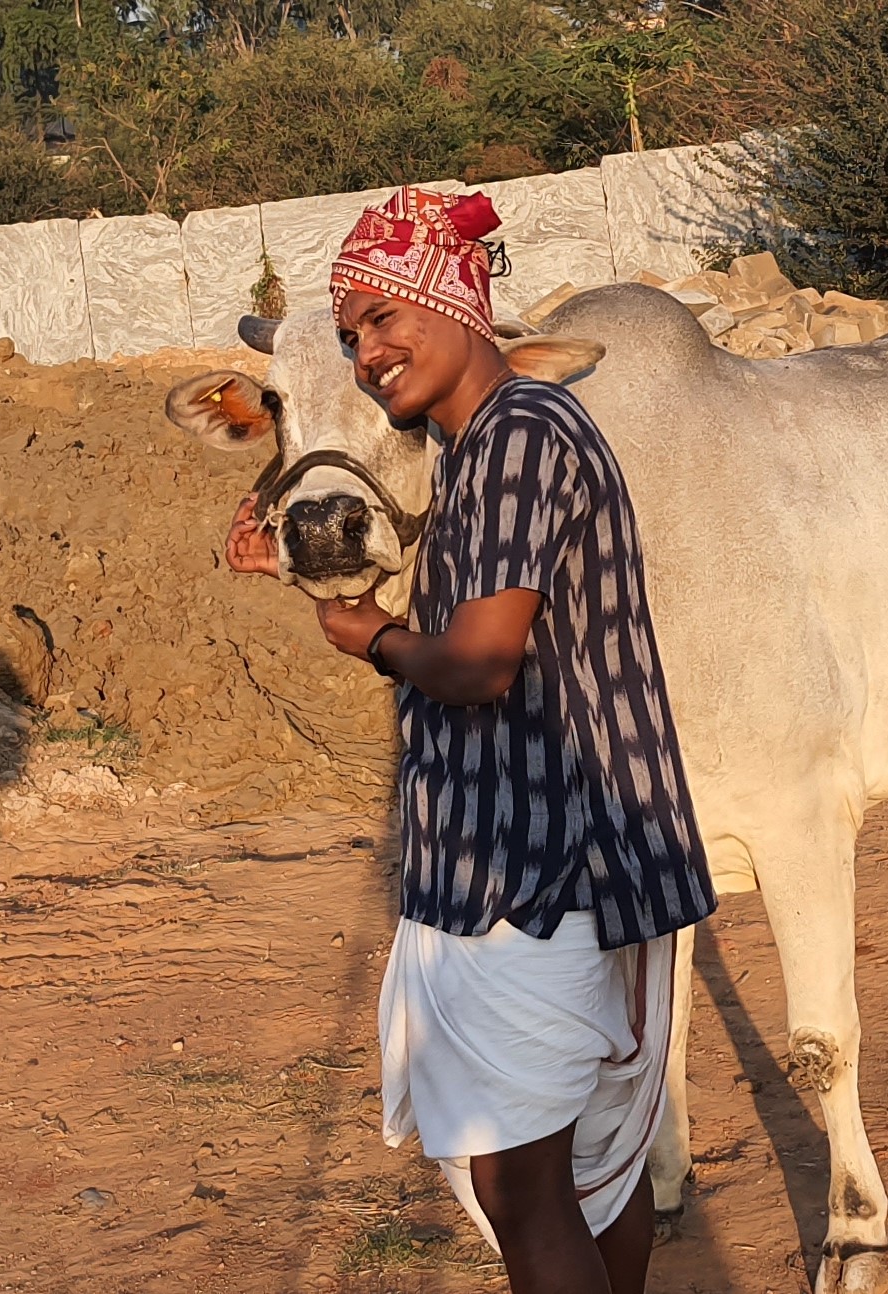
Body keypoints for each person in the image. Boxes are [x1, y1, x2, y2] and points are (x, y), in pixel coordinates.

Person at [225, 186, 716, 1294]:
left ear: (456, 305)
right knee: (599, 1170)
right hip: (579, 862)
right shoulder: (506, 442)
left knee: (526, 1189)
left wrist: (376, 640)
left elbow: (480, 661)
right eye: (351, 336)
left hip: (525, 875)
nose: (367, 353)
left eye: (385, 319)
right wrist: (318, 581)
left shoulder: (510, 443)